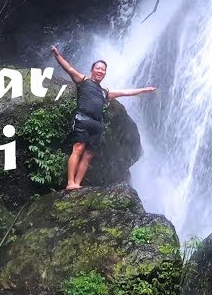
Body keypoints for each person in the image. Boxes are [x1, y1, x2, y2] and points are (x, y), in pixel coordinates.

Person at [50, 45, 156, 191]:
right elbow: (69, 68)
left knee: (88, 154)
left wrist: (144, 90)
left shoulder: (105, 91)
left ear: (105, 73)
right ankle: (70, 182)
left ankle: (77, 183)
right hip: (82, 119)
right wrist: (57, 55)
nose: (100, 70)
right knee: (78, 148)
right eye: (98, 68)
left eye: (103, 69)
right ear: (92, 70)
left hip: (96, 124)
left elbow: (126, 92)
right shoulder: (83, 80)